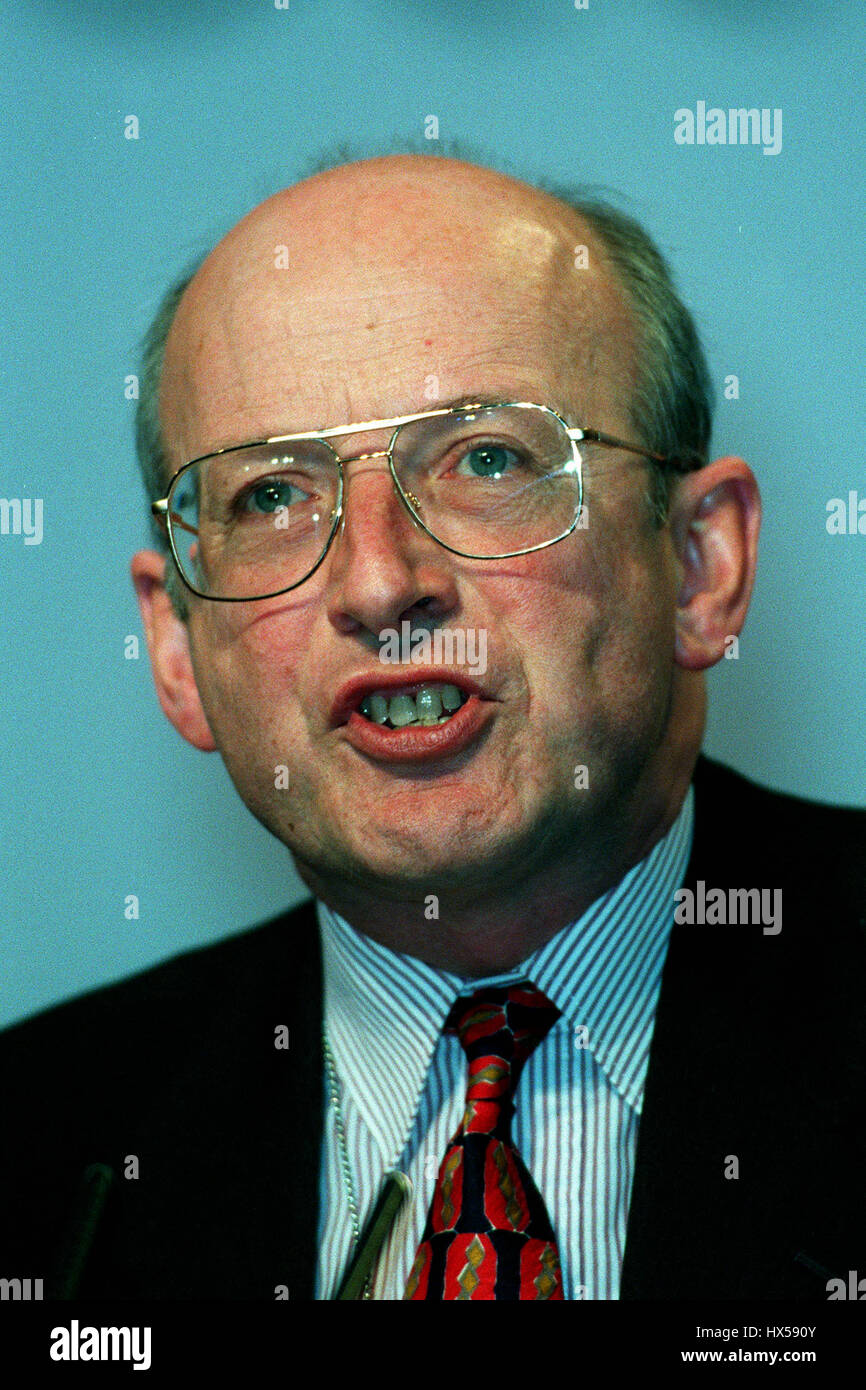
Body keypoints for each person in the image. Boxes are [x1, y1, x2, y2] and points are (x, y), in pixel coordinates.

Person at [1, 154, 863, 1302]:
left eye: (487, 460)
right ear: (176, 648)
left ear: (699, 564)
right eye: (270, 494)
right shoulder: (36, 1150)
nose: (374, 581)